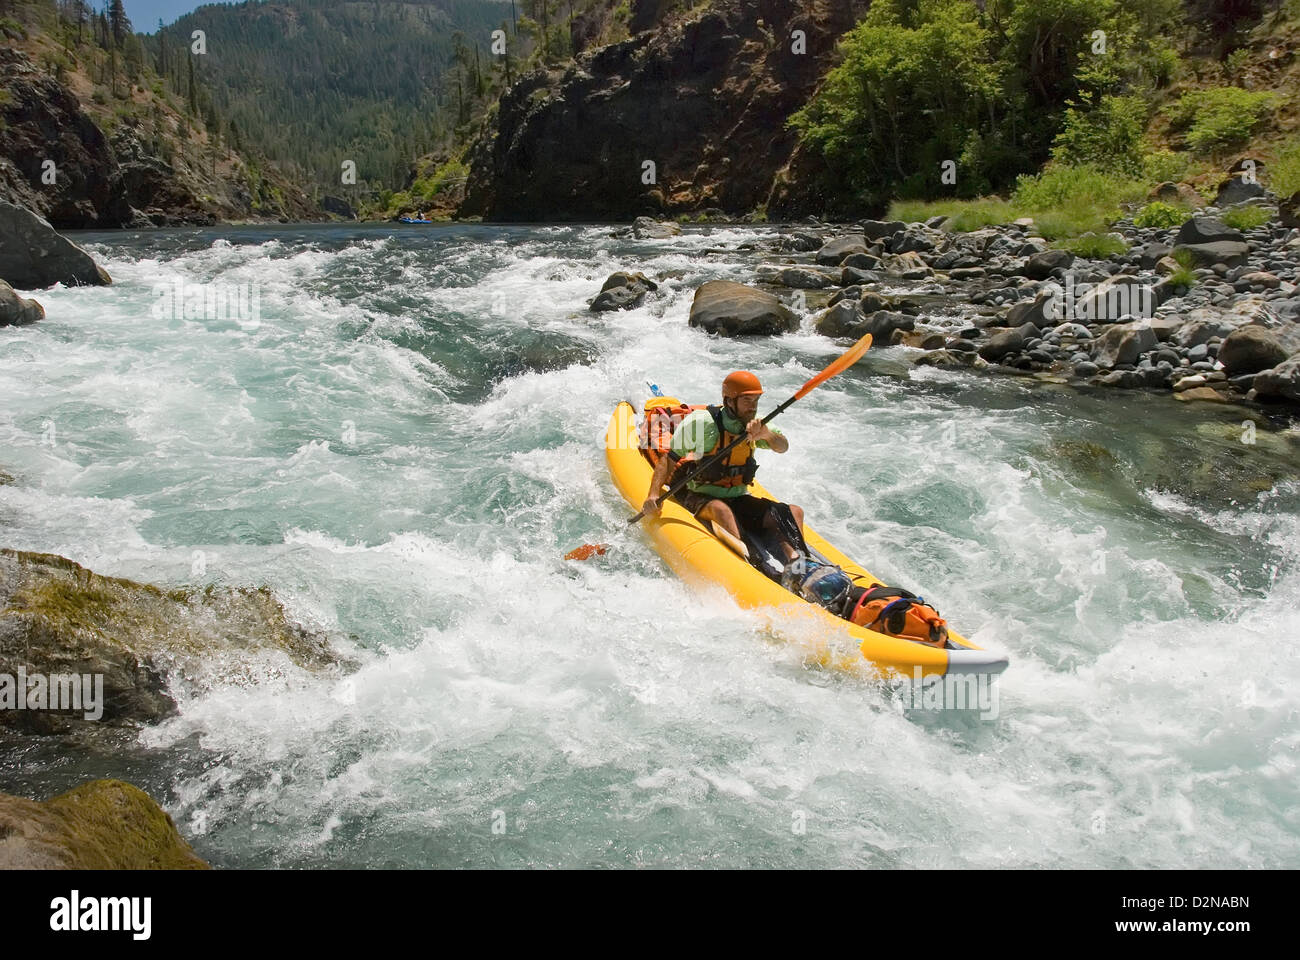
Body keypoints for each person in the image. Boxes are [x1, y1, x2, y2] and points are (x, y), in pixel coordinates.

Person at [641, 371, 807, 571]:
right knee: (721, 510)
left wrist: (767, 434)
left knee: (794, 511)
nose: (753, 406)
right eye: (747, 400)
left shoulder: (756, 426)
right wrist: (653, 494)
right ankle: (756, 564)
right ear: (729, 400)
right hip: (698, 494)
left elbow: (782, 447)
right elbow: (669, 459)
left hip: (737, 497)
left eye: (756, 400)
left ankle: (799, 563)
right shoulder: (702, 423)